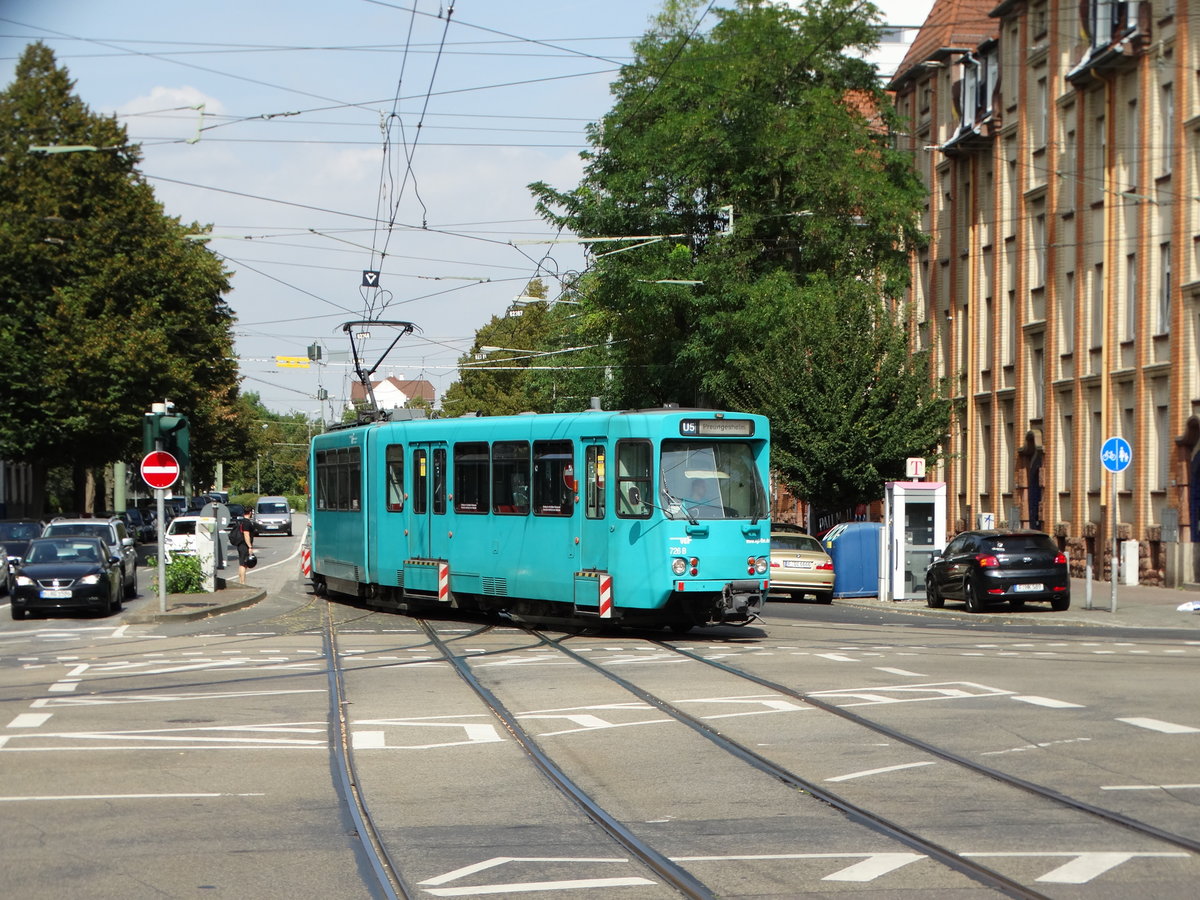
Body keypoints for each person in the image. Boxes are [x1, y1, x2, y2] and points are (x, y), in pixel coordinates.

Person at [229, 507, 255, 584]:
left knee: (241, 564)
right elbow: (246, 534)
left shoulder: (241, 521)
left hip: (240, 544)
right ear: (250, 513)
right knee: (244, 564)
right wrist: (250, 546)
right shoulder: (247, 523)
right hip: (244, 545)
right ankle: (242, 582)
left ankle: (241, 581)